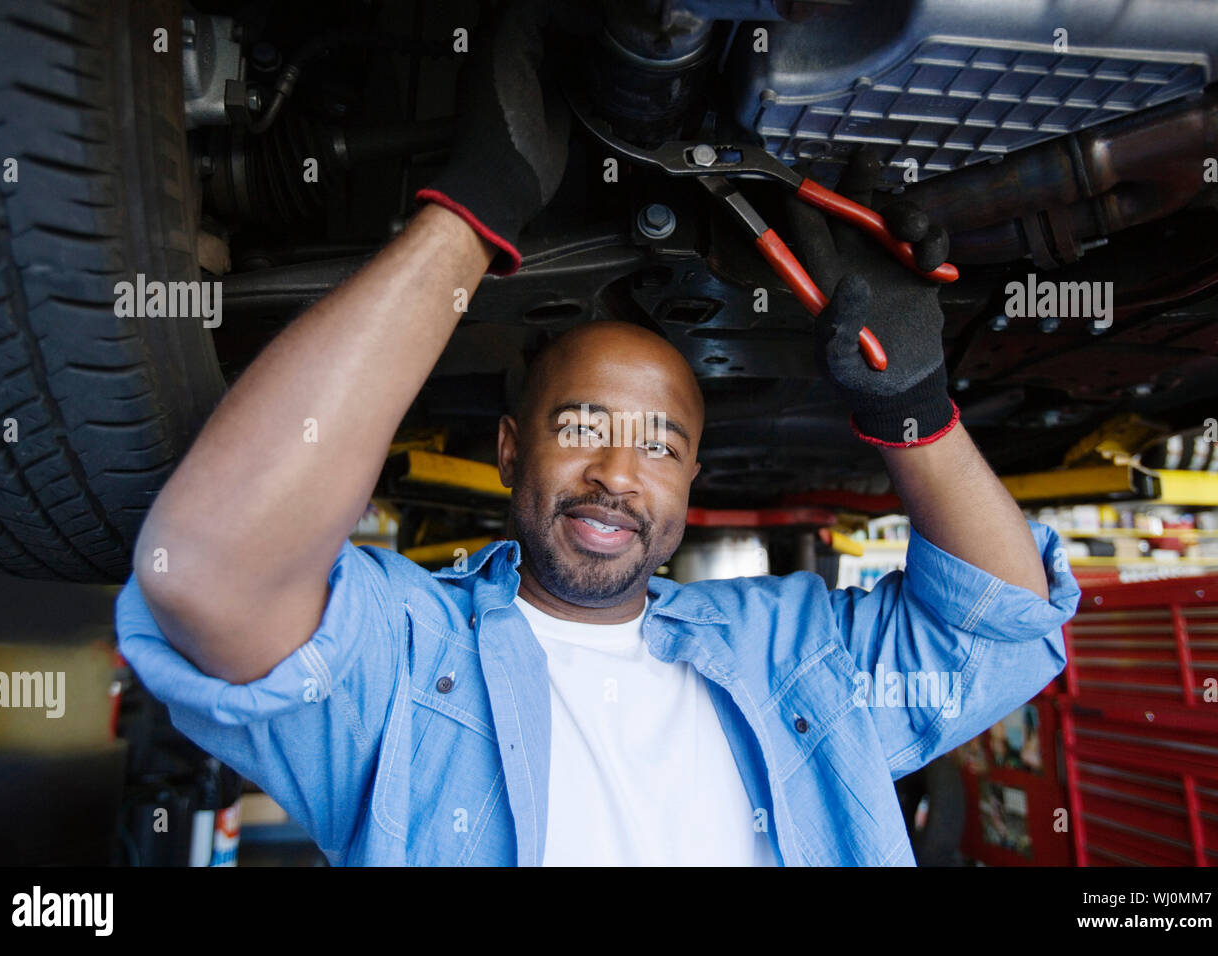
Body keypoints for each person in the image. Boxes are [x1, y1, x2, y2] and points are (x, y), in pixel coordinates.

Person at [115, 4, 1080, 866]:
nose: (619, 472)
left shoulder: (793, 653)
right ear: (507, 449)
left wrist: (912, 407)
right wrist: (468, 216)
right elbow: (210, 570)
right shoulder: (405, 665)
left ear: (691, 478)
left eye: (660, 444)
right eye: (581, 426)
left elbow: (995, 633)